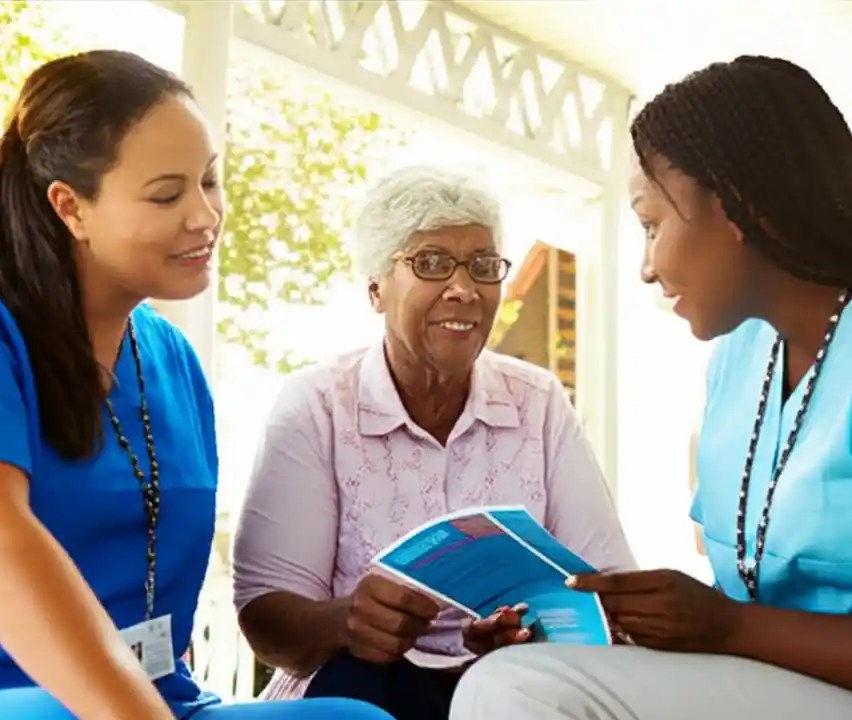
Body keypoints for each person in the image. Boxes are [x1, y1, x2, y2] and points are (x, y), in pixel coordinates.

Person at [449, 55, 852, 720]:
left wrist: (724, 629)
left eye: (653, 224)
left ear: (740, 205)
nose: (648, 267)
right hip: (818, 697)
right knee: (520, 671)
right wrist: (606, 629)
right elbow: (752, 625)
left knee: (516, 694)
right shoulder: (743, 357)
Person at [0, 50, 390, 720]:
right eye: (166, 194)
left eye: (209, 182)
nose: (205, 217)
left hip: (150, 696)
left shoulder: (172, 359)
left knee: (353, 719)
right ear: (70, 206)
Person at [232, 166, 636, 720]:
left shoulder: (538, 402)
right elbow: (267, 623)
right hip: (357, 692)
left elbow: (608, 588)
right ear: (376, 288)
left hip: (508, 693)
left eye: (483, 266)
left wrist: (529, 630)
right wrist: (347, 620)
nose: (464, 288)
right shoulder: (318, 405)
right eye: (431, 264)